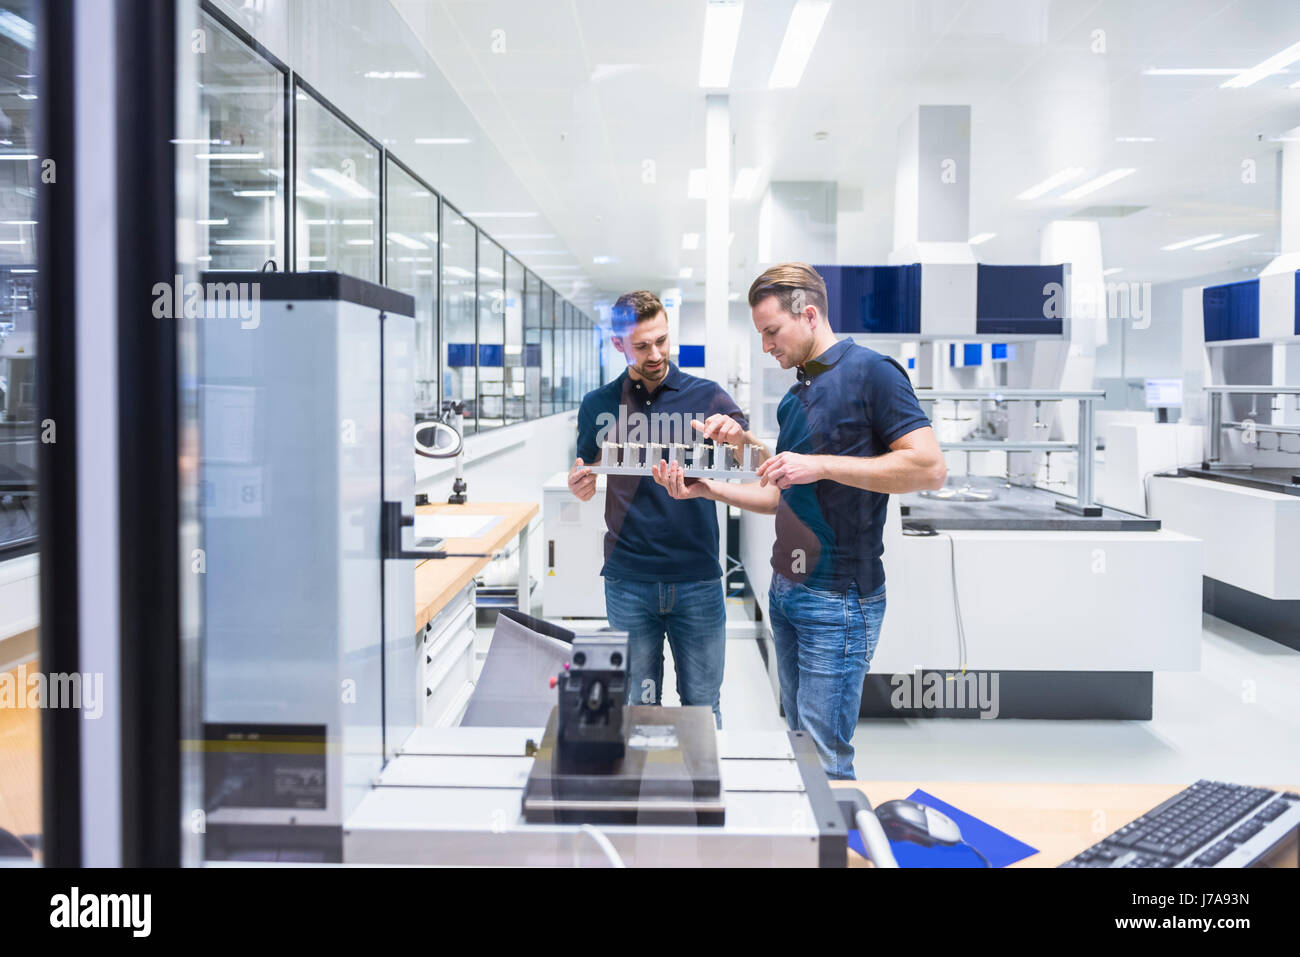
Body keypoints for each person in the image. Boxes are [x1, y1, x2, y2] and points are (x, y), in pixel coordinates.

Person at [651, 263, 946, 777]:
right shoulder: (797, 395)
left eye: (772, 332)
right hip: (787, 591)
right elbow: (780, 495)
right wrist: (708, 486)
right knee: (799, 747)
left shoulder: (873, 373)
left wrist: (820, 465)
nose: (766, 347)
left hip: (839, 597)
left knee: (825, 760)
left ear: (808, 315)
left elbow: (930, 468)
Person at [569, 290, 761, 726]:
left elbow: (756, 464)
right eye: (641, 346)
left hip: (697, 577)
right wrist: (580, 485)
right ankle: (643, 792)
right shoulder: (597, 405)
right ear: (618, 345)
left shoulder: (709, 397)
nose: (656, 354)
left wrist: (739, 437)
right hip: (628, 578)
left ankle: (701, 792)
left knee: (702, 707)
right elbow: (588, 470)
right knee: (638, 707)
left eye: (662, 340)